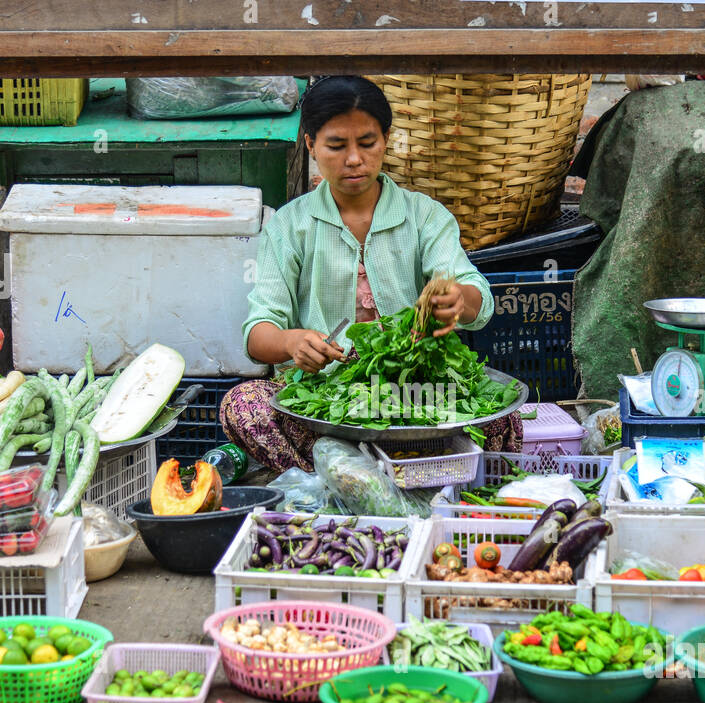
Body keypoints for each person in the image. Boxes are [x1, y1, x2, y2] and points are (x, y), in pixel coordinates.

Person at [219, 75, 522, 473]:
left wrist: (455, 300)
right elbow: (259, 333)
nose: (354, 160)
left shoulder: (424, 216)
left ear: (386, 139)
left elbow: (476, 298)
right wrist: (293, 342)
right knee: (243, 405)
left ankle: (371, 475)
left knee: (503, 414)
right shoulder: (289, 225)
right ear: (310, 144)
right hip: (324, 402)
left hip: (418, 395)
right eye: (336, 145)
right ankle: (340, 478)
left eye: (367, 143)